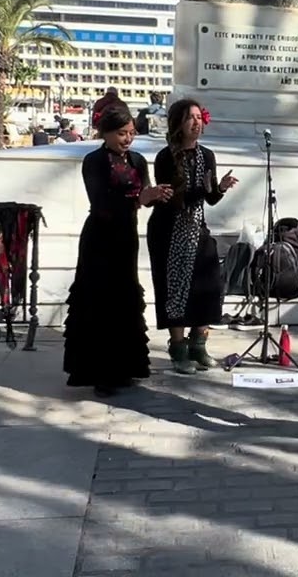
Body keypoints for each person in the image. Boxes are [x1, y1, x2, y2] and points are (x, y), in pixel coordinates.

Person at [63, 107, 169, 396]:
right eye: (122, 133)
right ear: (106, 133)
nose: (127, 139)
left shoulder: (137, 160)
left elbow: (144, 195)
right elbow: (101, 202)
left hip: (127, 237)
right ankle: (99, 372)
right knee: (100, 301)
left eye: (131, 133)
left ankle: (125, 367)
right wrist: (138, 198)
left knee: (124, 298)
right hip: (99, 237)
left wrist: (155, 196)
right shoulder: (94, 161)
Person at [148, 99, 239, 374]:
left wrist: (220, 188)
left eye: (199, 117)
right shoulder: (166, 157)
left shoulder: (207, 155)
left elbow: (208, 198)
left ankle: (199, 345)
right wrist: (203, 191)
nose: (196, 123)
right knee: (174, 289)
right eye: (190, 118)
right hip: (170, 231)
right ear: (178, 123)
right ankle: (178, 349)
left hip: (198, 229)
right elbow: (176, 198)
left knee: (210, 286)